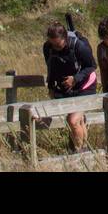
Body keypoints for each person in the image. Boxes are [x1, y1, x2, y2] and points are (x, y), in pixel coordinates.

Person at [42, 16, 97, 150]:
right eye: (52, 44)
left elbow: (92, 66)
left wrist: (76, 78)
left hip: (86, 85)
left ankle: (78, 152)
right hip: (68, 88)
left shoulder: (79, 46)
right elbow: (50, 67)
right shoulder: (48, 48)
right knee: (78, 121)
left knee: (72, 121)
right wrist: (51, 86)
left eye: (58, 45)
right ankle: (85, 150)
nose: (56, 48)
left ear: (65, 39)